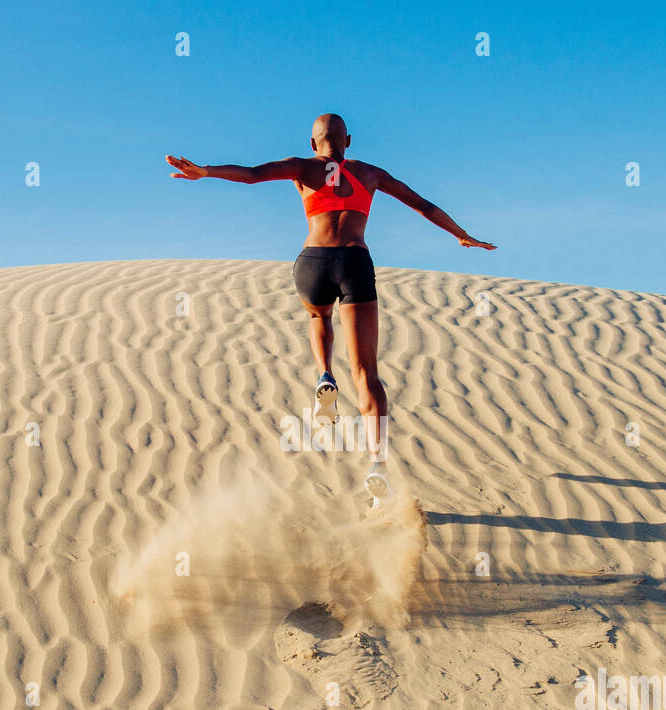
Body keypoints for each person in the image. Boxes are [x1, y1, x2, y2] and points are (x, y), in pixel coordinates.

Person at [166, 113, 495, 505]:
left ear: (312, 143)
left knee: (318, 316)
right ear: (349, 141)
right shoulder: (369, 172)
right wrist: (460, 235)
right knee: (367, 373)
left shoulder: (302, 167)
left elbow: (252, 174)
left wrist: (205, 170)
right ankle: (378, 464)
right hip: (353, 262)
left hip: (313, 261)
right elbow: (423, 205)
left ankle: (324, 374)